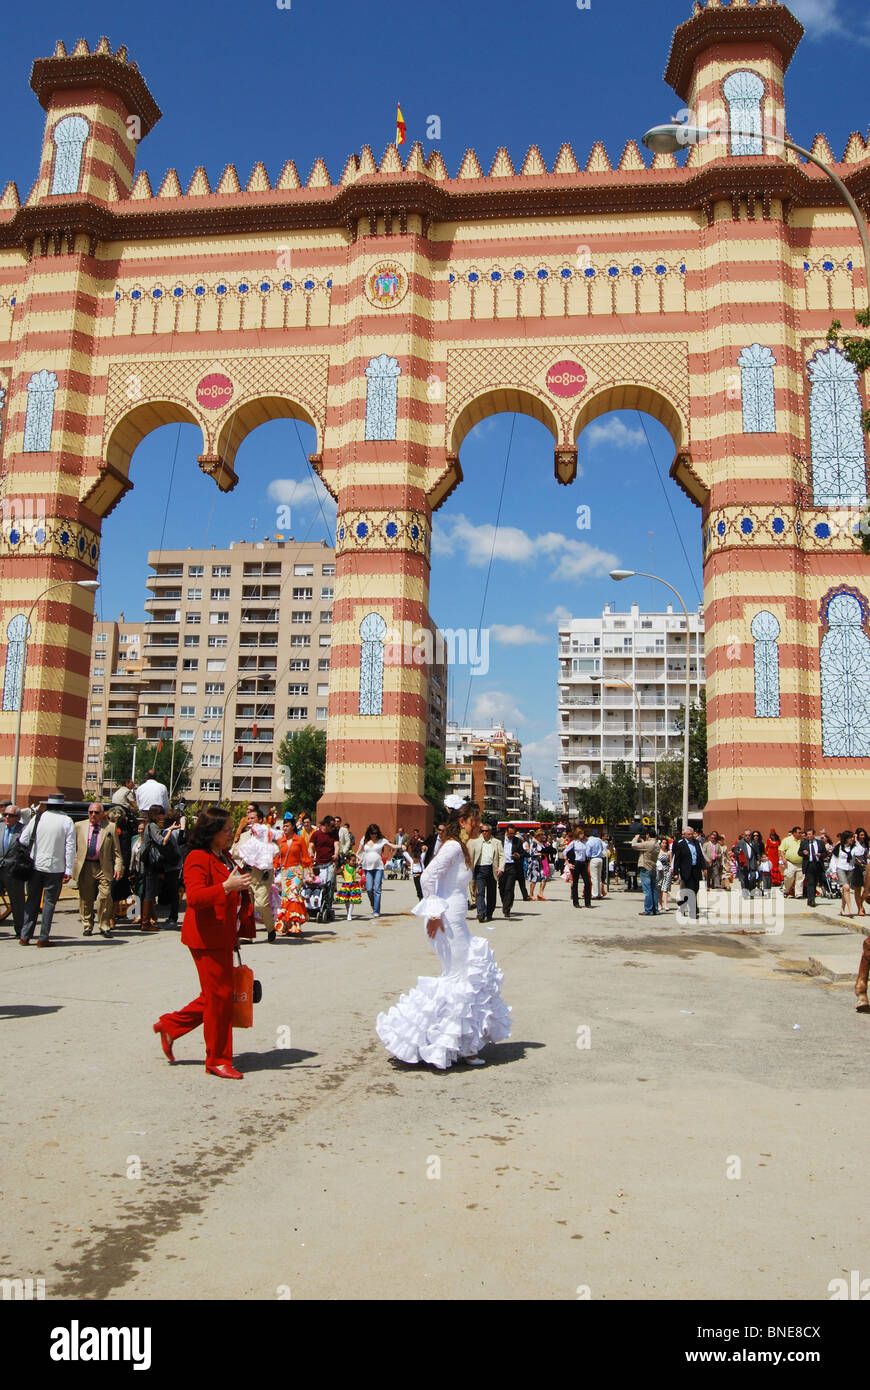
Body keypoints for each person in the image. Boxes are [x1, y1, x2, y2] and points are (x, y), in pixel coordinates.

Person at [375, 798, 511, 1069]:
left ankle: (456, 1043)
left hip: (455, 921)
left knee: (462, 976)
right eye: (475, 819)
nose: (479, 824)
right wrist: (434, 913)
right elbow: (427, 877)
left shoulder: (460, 847)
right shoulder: (452, 847)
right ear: (462, 822)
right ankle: (452, 1044)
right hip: (448, 922)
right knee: (460, 978)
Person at [153, 807, 254, 1079]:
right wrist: (227, 887)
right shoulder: (197, 858)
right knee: (219, 998)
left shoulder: (223, 856)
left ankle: (170, 1026)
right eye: (227, 829)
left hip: (222, 935)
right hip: (205, 937)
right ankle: (217, 1059)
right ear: (212, 833)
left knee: (215, 995)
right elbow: (195, 899)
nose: (232, 833)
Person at [18, 795, 75, 946]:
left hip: (36, 865)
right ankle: (43, 938)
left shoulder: (38, 818)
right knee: (49, 903)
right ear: (61, 806)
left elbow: (23, 839)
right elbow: (70, 848)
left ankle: (25, 936)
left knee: (32, 901)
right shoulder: (67, 821)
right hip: (55, 867)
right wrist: (69, 869)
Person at [232, 803, 281, 943]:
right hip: (248, 873)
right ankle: (247, 935)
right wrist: (242, 853)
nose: (250, 821)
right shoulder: (245, 836)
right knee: (248, 905)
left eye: (253, 818)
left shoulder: (268, 834)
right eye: (249, 818)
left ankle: (271, 928)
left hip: (263, 874)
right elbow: (235, 852)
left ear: (260, 820)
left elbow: (276, 850)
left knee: (261, 904)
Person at [72, 802, 123, 936]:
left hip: (103, 866)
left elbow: (117, 851)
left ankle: (104, 925)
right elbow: (71, 847)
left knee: (105, 896)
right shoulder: (79, 826)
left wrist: (118, 867)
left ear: (102, 814)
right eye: (90, 812)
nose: (93, 815)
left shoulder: (110, 828)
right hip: (85, 866)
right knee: (86, 898)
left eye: (96, 812)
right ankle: (87, 925)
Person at [274, 814, 313, 934]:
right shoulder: (280, 841)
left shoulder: (299, 840)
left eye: (287, 826)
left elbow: (306, 856)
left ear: (292, 827)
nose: (284, 828)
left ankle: (296, 924)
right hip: (285, 872)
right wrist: (274, 869)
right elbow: (277, 857)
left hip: (297, 871)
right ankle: (287, 923)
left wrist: (310, 871)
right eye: (283, 826)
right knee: (287, 898)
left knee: (294, 894)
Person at [138, 808, 173, 933]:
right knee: (149, 892)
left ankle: (148, 918)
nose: (163, 816)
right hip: (150, 864)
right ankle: (146, 922)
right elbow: (161, 841)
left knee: (148, 892)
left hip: (147, 863)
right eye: (161, 814)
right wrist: (170, 831)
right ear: (156, 815)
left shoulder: (149, 825)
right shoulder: (153, 826)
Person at [357, 825, 398, 919]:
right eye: (372, 833)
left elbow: (392, 845)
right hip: (367, 867)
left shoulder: (382, 840)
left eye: (375, 833)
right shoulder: (364, 840)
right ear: (369, 833)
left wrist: (401, 846)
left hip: (378, 867)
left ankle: (376, 910)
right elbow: (358, 852)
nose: (373, 835)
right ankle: (373, 903)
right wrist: (360, 860)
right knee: (369, 888)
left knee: (377, 889)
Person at [0, 804, 26, 937]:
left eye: (10, 815)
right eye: (5, 815)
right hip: (0, 868)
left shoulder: (24, 830)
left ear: (18, 818)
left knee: (17, 902)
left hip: (14, 871)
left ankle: (20, 930)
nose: (7, 817)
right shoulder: (0, 827)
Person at [469, 822, 503, 923]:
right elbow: (470, 856)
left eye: (486, 831)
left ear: (490, 831)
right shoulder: (475, 842)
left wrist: (501, 868)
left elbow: (501, 856)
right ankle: (481, 913)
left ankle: (489, 913)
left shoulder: (497, 842)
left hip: (492, 869)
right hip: (480, 870)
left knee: (491, 893)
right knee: (480, 892)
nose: (484, 833)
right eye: (482, 831)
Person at [672, 826, 703, 920]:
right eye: (688, 834)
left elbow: (700, 855)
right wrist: (676, 872)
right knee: (691, 890)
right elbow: (677, 859)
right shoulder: (679, 844)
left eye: (692, 834)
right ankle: (693, 911)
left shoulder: (696, 842)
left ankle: (682, 903)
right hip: (686, 870)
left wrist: (704, 868)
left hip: (696, 870)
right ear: (684, 835)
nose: (691, 836)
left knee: (696, 888)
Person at [631, 828, 660, 916]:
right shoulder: (656, 844)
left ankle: (648, 910)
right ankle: (655, 909)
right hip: (653, 867)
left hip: (645, 867)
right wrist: (643, 841)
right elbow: (646, 847)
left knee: (647, 890)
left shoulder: (648, 844)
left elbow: (634, 845)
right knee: (654, 889)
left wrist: (636, 838)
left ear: (648, 835)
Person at [566, 827, 592, 909]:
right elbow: (565, 852)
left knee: (587, 882)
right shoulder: (573, 843)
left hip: (584, 863)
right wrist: (568, 863)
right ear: (577, 834)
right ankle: (576, 902)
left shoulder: (585, 842)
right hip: (576, 863)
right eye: (580, 833)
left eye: (583, 833)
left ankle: (588, 902)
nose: (582, 835)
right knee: (575, 883)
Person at [831, 831, 856, 917]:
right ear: (846, 838)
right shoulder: (839, 847)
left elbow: (861, 852)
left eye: (853, 837)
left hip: (850, 869)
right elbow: (833, 859)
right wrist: (833, 872)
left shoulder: (854, 847)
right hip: (840, 868)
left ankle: (842, 908)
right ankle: (850, 909)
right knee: (846, 887)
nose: (852, 839)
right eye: (851, 837)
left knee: (846, 890)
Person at [799, 828, 826, 907]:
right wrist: (803, 853)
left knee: (815, 883)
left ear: (814, 835)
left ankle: (812, 897)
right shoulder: (804, 843)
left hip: (817, 864)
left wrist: (821, 855)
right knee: (810, 882)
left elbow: (825, 853)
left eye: (810, 834)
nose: (808, 836)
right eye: (807, 834)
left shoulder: (820, 843)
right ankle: (811, 900)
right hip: (809, 864)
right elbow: (799, 852)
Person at [334, 850, 362, 921]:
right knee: (346, 900)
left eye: (354, 860)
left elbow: (361, 860)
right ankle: (348, 912)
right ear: (348, 861)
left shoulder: (355, 866)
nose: (354, 862)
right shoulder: (344, 867)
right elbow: (336, 872)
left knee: (352, 900)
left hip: (353, 885)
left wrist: (356, 854)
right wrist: (335, 866)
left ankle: (349, 914)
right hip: (346, 885)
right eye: (352, 861)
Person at [780, 826, 804, 899]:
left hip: (800, 863)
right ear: (794, 833)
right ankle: (786, 890)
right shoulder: (786, 840)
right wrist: (783, 858)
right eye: (799, 833)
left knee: (800, 879)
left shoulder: (802, 841)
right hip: (790, 862)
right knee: (788, 876)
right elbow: (781, 850)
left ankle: (798, 894)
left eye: (801, 832)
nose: (800, 834)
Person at [403, 833, 427, 901]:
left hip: (421, 876)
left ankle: (423, 897)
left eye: (416, 859)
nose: (415, 860)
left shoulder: (421, 860)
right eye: (414, 859)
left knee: (423, 887)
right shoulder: (412, 861)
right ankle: (420, 898)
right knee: (418, 888)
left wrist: (424, 848)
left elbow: (424, 852)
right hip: (415, 877)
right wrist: (404, 849)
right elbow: (406, 855)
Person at [852, 827, 868, 917]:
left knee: (866, 889)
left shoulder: (866, 844)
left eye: (864, 835)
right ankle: (860, 908)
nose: (863, 837)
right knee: (857, 888)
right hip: (856, 868)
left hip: (866, 867)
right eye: (861, 835)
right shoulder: (853, 844)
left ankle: (861, 904)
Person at [525, 832, 544, 900]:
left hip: (541, 862)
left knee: (543, 877)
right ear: (538, 836)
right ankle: (531, 894)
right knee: (534, 878)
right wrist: (540, 853)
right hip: (534, 862)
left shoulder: (541, 843)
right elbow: (532, 853)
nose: (543, 836)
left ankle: (540, 894)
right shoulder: (534, 843)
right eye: (542, 835)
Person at [655, 837, 671, 912]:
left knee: (665, 888)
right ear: (660, 844)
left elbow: (670, 862)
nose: (664, 844)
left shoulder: (669, 852)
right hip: (659, 871)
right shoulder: (657, 851)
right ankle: (660, 904)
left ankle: (665, 905)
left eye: (665, 843)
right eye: (663, 843)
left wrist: (671, 869)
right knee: (659, 887)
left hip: (667, 871)